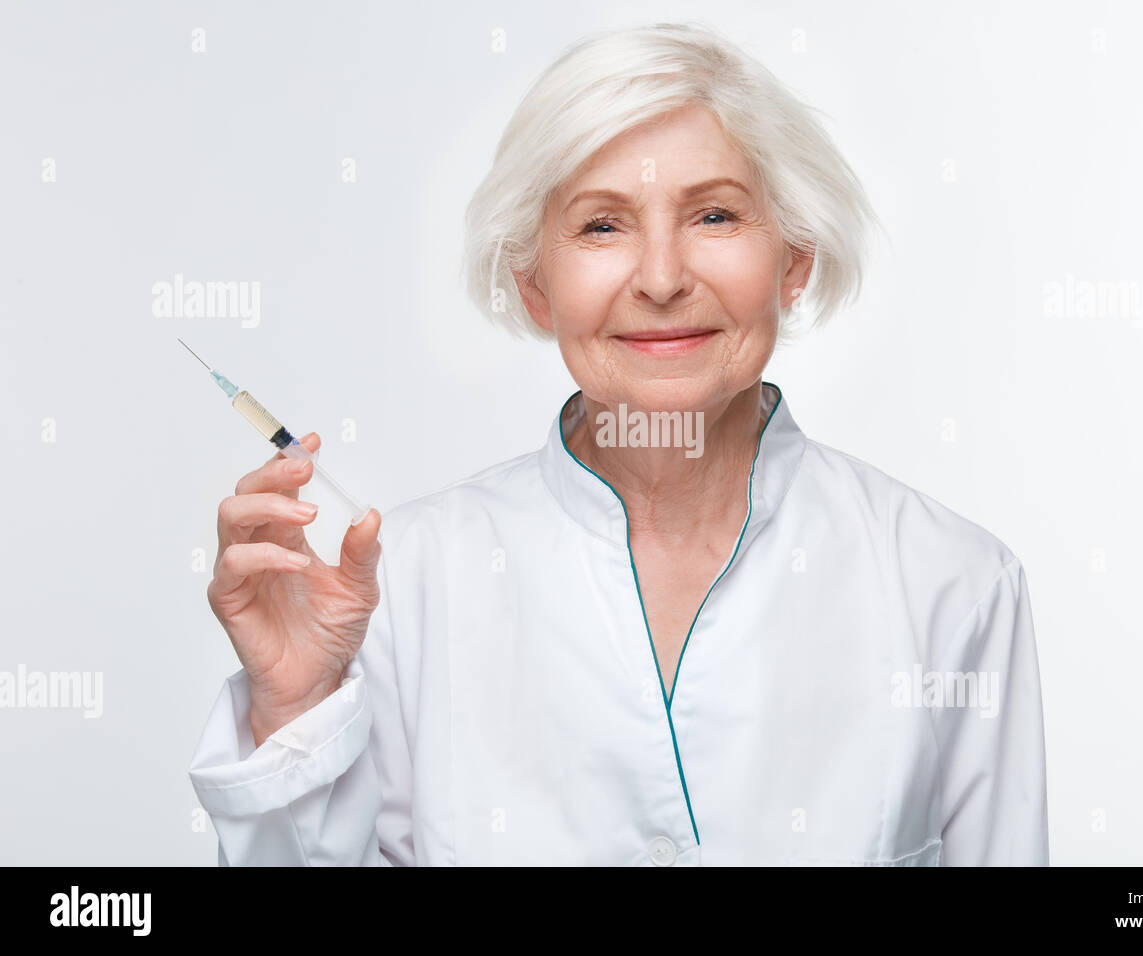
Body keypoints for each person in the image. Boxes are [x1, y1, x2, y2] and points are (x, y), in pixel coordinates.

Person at [189, 21, 1048, 866]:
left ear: (794, 259)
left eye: (715, 215)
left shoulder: (953, 585)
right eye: (602, 227)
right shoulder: (396, 590)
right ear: (532, 283)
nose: (664, 278)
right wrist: (292, 713)